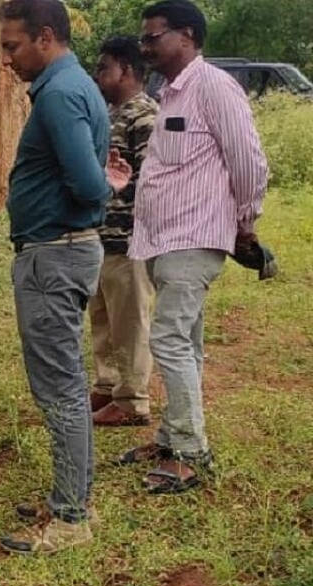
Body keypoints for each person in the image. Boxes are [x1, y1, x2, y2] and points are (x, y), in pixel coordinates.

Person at [0, 0, 131, 555]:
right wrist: (100, 178)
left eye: (12, 46)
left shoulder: (59, 94)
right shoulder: (73, 87)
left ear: (45, 37)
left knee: (60, 388)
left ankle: (72, 517)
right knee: (66, 384)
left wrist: (102, 183)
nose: (7, 60)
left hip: (54, 254)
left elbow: (88, 185)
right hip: (60, 250)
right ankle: (72, 497)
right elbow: (87, 175)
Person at [121, 0, 268, 493]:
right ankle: (172, 436)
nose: (145, 47)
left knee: (168, 340)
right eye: (142, 39)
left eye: (152, 38)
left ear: (186, 36)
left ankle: (190, 452)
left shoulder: (214, 87)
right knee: (185, 342)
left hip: (194, 236)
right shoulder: (169, 94)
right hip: (163, 238)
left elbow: (248, 161)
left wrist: (245, 222)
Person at [89, 37, 158, 427]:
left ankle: (132, 400)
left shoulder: (144, 115)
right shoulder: (112, 113)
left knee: (129, 322)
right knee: (104, 317)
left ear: (127, 70)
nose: (98, 75)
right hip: (103, 236)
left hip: (130, 239)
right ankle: (108, 384)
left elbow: (153, 178)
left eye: (104, 68)